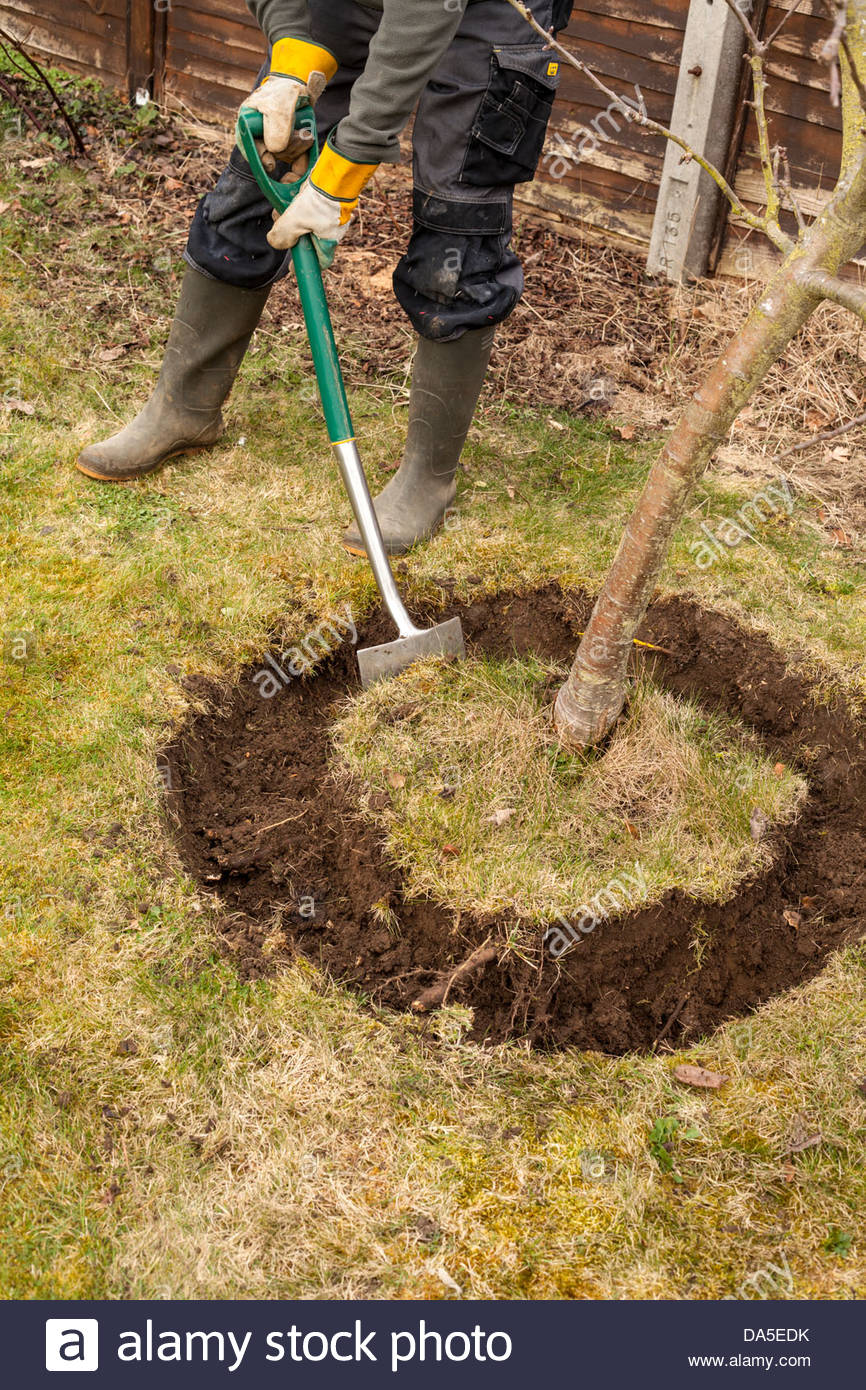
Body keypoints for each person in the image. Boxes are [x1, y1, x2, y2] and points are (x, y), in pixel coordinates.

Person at [77, 0, 572, 555]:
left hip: (493, 12)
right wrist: (293, 60)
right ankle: (183, 409)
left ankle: (428, 480)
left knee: (458, 237)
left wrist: (342, 170)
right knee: (258, 168)